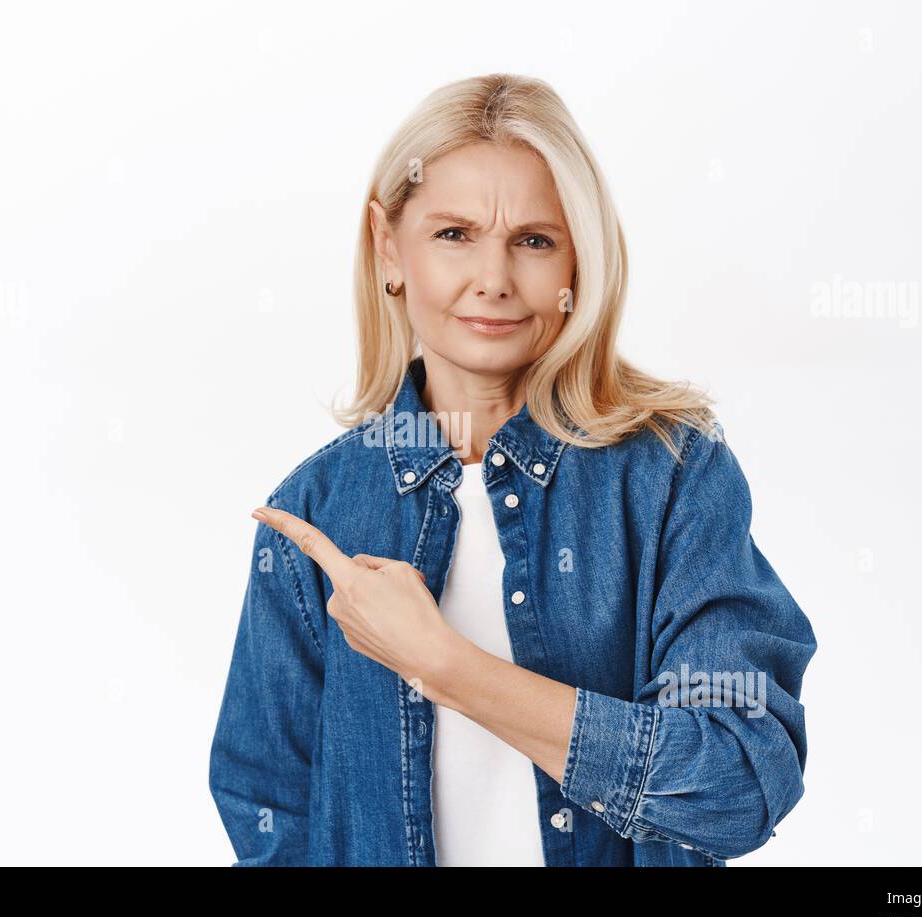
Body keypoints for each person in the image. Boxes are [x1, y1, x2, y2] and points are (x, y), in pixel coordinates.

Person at [208, 72, 817, 866]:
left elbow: (739, 782)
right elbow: (268, 815)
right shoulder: (313, 513)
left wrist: (447, 666)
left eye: (534, 240)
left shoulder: (670, 477)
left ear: (578, 265)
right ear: (389, 248)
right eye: (453, 234)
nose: (493, 278)